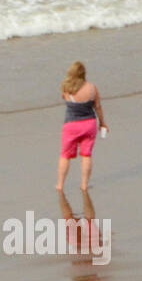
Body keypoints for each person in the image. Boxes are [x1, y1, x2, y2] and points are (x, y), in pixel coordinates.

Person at [57, 61, 108, 191]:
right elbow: (98, 107)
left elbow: (64, 98)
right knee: (86, 155)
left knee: (65, 155)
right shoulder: (92, 88)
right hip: (89, 124)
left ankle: (60, 185)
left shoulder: (66, 88)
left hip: (71, 125)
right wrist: (102, 123)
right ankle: (84, 185)